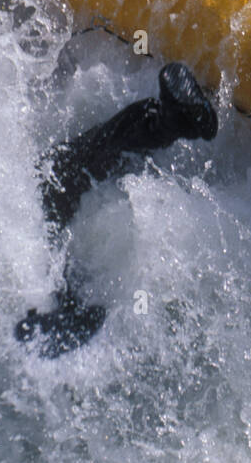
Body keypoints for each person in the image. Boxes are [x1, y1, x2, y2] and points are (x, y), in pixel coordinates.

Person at [16, 61, 218, 355]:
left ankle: (173, 122)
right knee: (94, 155)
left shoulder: (21, 274)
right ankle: (171, 121)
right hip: (50, 196)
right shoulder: (30, 275)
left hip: (50, 205)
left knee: (98, 155)